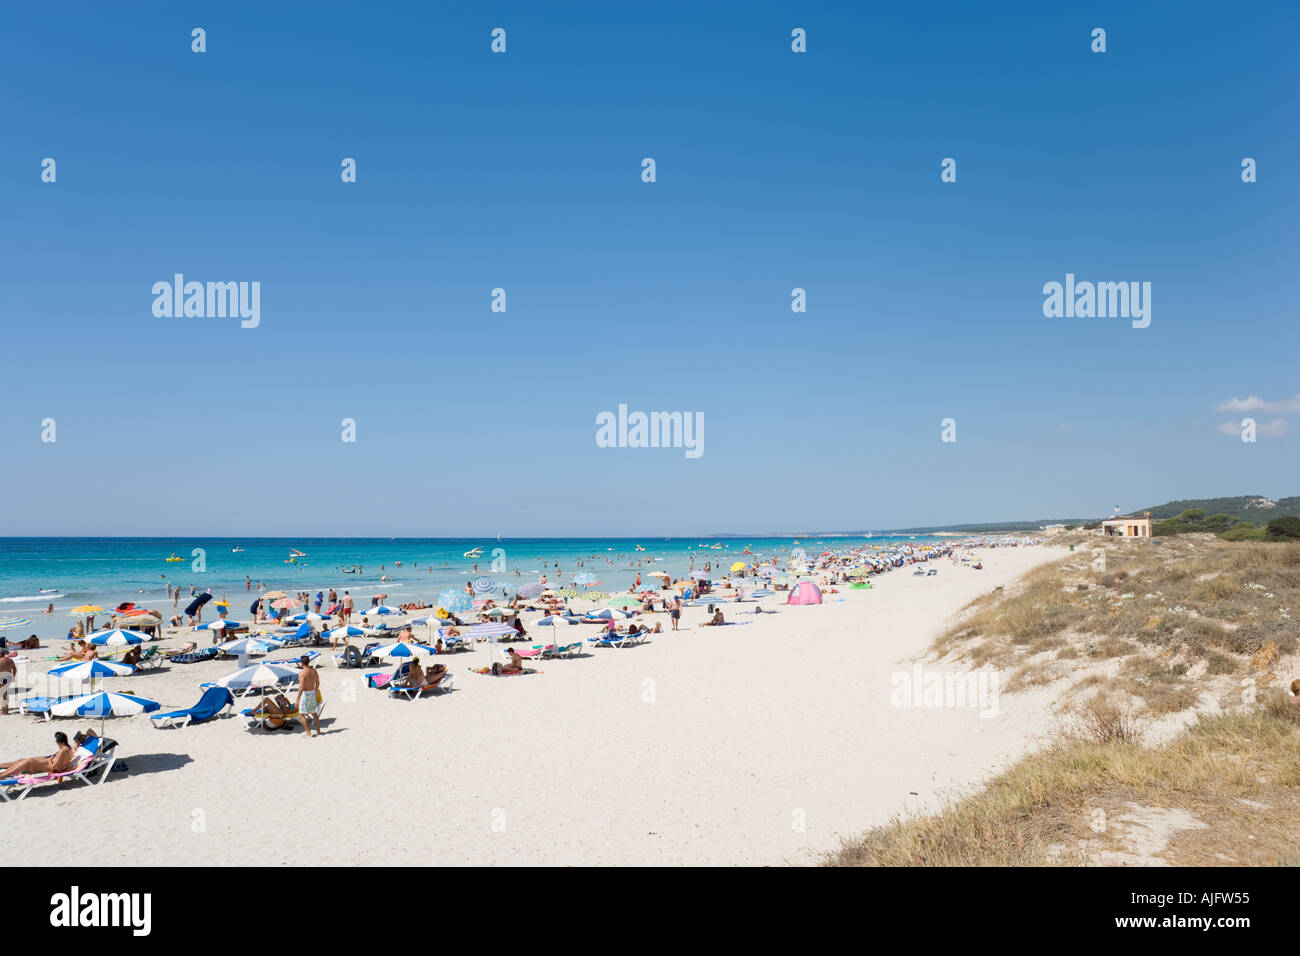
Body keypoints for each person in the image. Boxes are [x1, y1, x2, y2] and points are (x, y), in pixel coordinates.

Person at [2, 732, 74, 778]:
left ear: (58, 742)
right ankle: (3, 772)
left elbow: (53, 768)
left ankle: (3, 775)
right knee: (21, 760)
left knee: (29, 761)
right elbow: (74, 751)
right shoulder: (69, 748)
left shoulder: (63, 751)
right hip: (47, 764)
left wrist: (49, 760)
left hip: (49, 769)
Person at [296, 655, 322, 738]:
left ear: (301, 663)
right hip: (312, 693)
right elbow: (318, 682)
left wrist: (297, 700)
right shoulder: (314, 671)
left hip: (306, 694)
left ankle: (308, 732)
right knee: (314, 713)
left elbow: (301, 687)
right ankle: (318, 731)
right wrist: (316, 691)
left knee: (301, 714)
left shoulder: (302, 673)